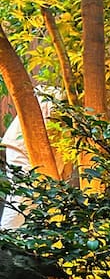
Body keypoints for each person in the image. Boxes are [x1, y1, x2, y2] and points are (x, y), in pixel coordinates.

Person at [0, 86, 60, 229]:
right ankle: (7, 245)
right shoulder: (60, 95)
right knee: (23, 197)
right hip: (24, 147)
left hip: (34, 150)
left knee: (46, 200)